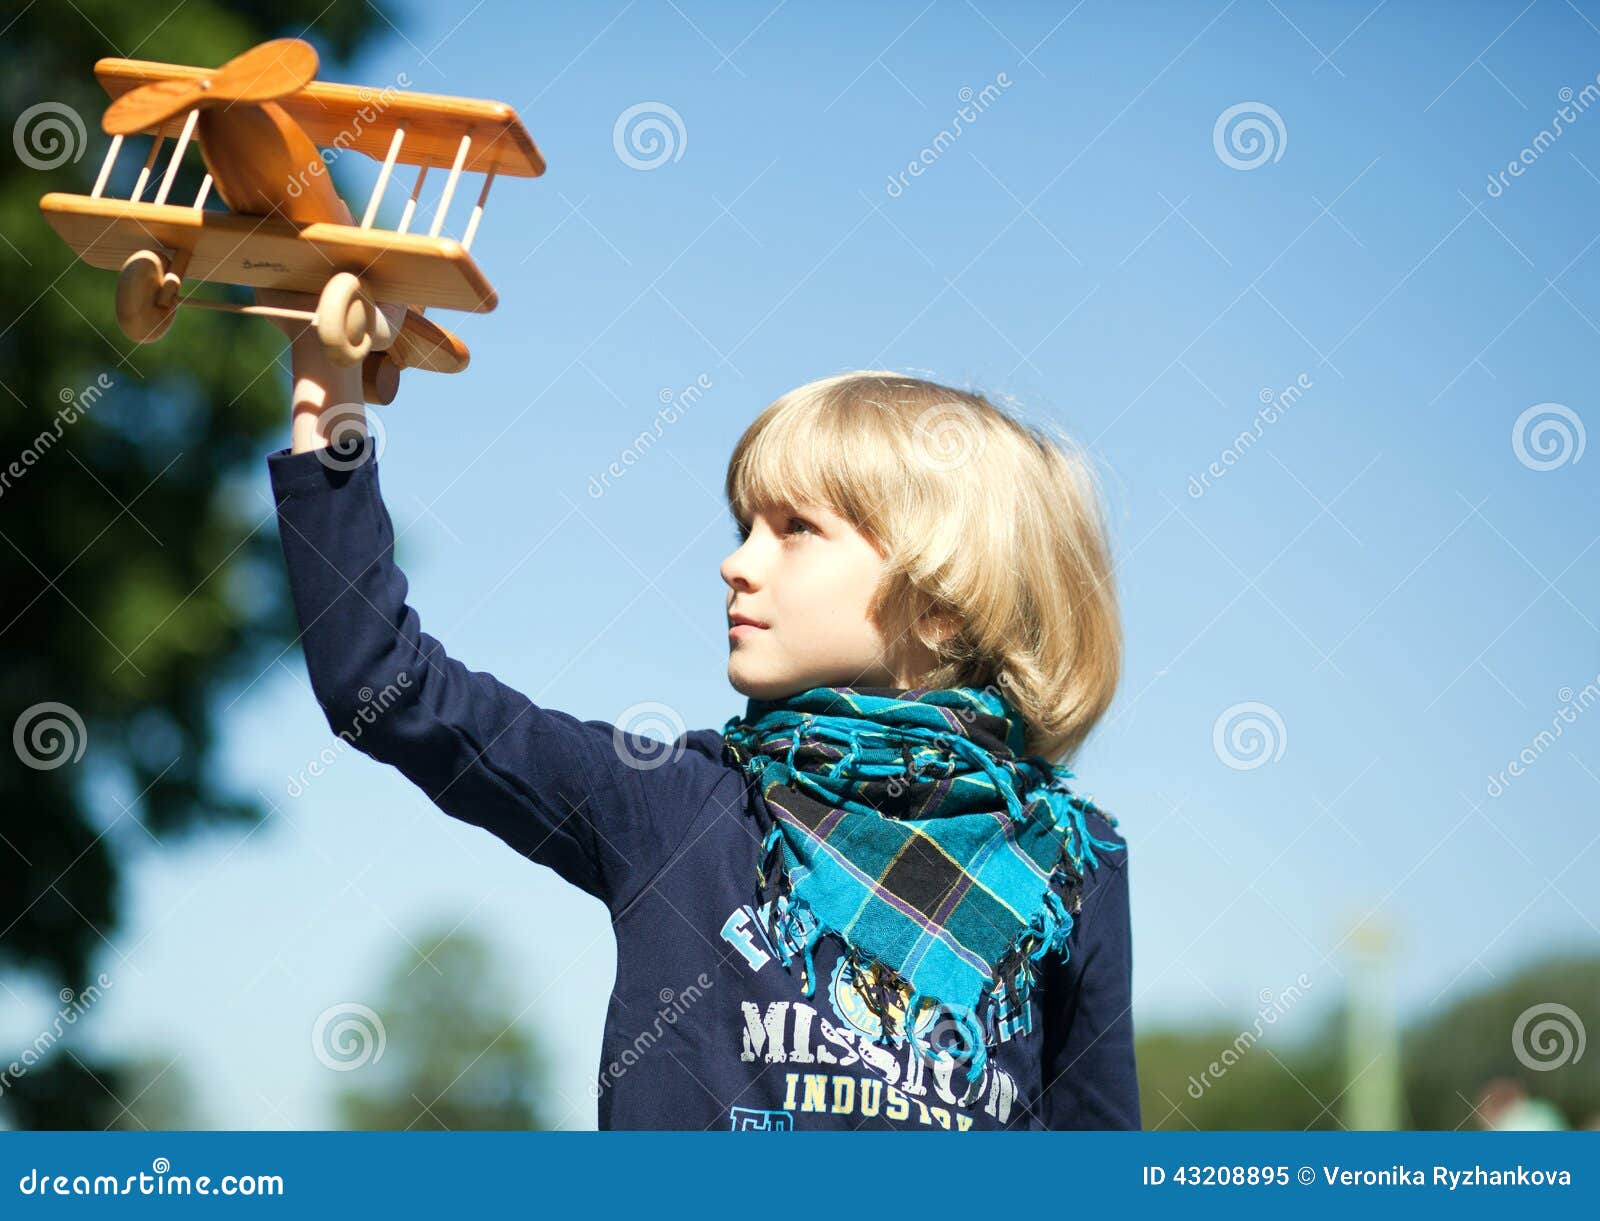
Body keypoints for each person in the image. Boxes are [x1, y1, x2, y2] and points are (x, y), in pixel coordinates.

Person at [259, 292, 1139, 1130]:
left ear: (943, 600)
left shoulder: (1074, 861)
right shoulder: (674, 804)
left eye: (795, 527)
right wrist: (327, 391)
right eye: (741, 527)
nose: (737, 563)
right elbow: (383, 683)